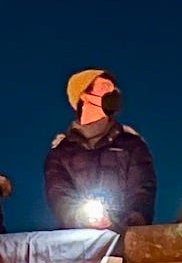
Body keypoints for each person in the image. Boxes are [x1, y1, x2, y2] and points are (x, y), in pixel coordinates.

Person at [43, 69, 157, 230]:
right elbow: (59, 195)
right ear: (84, 96)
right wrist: (82, 218)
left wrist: (128, 221)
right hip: (77, 244)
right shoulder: (60, 153)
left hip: (123, 239)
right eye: (104, 87)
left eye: (114, 89)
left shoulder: (132, 145)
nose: (113, 93)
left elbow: (142, 190)